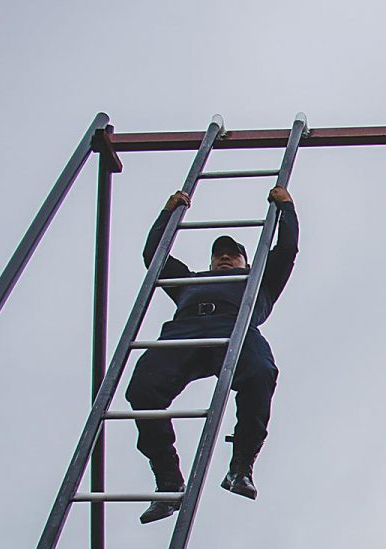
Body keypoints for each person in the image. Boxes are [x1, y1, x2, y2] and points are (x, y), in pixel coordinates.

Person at [125, 185, 299, 522]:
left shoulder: (259, 281)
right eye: (219, 254)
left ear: (245, 261)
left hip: (235, 326)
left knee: (261, 373)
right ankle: (167, 482)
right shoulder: (190, 281)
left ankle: (241, 466)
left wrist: (287, 209)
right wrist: (167, 213)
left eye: (232, 254)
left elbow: (287, 249)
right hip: (185, 331)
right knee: (142, 389)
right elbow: (154, 256)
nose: (224, 257)